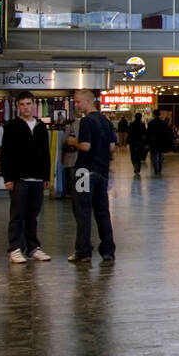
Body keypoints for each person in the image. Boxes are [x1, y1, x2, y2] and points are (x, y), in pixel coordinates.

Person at [0, 90, 52, 264]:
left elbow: (46, 153)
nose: (26, 107)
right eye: (22, 104)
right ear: (17, 107)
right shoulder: (12, 126)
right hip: (19, 179)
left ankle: (33, 247)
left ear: (34, 105)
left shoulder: (41, 126)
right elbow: (6, 153)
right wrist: (8, 178)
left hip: (37, 179)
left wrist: (46, 176)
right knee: (17, 215)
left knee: (33, 215)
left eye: (28, 104)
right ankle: (14, 248)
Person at [68, 88, 117, 263]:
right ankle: (108, 250)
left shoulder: (86, 121)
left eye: (78, 101)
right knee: (102, 211)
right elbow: (112, 148)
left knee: (83, 211)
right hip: (102, 171)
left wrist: (73, 142)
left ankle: (83, 251)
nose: (76, 105)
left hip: (84, 171)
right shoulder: (106, 121)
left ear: (88, 101)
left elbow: (85, 146)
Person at [147, 111, 172, 176]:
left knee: (153, 156)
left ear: (154, 115)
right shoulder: (163, 123)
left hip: (153, 142)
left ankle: (156, 169)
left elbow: (148, 133)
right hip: (161, 142)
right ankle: (159, 169)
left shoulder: (151, 123)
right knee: (160, 155)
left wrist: (147, 142)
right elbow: (167, 133)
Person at [127, 111, 147, 177]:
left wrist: (128, 141)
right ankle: (138, 168)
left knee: (133, 154)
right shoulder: (142, 125)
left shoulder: (131, 124)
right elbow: (144, 134)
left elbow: (129, 133)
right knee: (139, 155)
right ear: (141, 117)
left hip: (132, 142)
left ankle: (135, 164)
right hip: (140, 142)